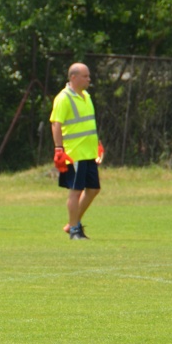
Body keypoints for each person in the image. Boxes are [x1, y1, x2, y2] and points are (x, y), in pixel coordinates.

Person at [50, 62, 104, 240]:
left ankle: (72, 223)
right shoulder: (63, 98)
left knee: (93, 189)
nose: (89, 79)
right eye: (85, 76)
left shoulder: (86, 96)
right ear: (73, 77)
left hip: (89, 152)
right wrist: (59, 149)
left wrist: (97, 143)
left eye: (88, 76)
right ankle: (74, 230)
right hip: (75, 153)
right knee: (76, 191)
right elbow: (56, 123)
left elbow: (88, 123)